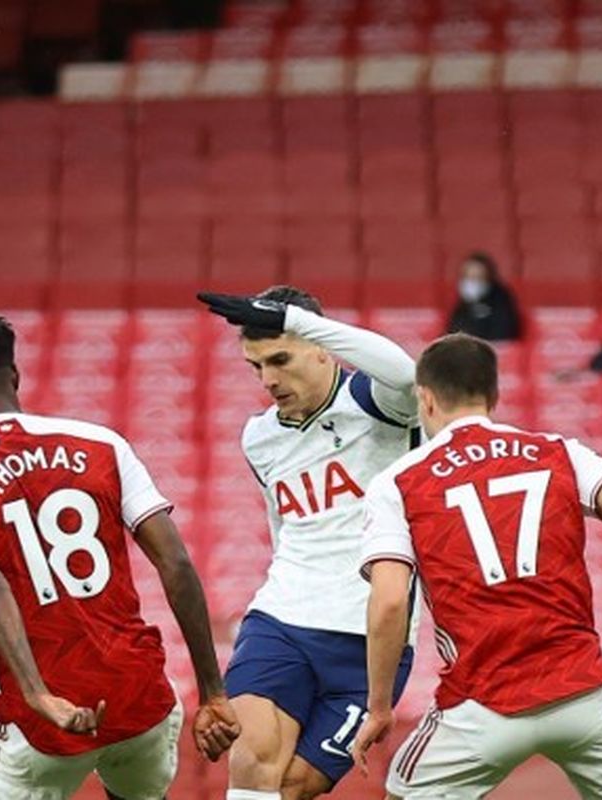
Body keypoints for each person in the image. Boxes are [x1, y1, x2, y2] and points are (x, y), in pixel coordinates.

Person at [349, 333, 602, 799]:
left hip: (479, 708)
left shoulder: (398, 482)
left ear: (425, 397)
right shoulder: (559, 452)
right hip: (582, 697)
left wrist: (379, 707)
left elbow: (390, 601)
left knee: (401, 792)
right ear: (494, 396)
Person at [0, 307, 240, 800]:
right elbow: (177, 563)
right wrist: (213, 692)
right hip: (138, 697)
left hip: (44, 719)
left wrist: (39, 695)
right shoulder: (102, 444)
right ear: (13, 374)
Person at [197, 287, 421, 800]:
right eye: (256, 366)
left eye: (280, 359)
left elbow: (409, 374)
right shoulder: (259, 436)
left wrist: (297, 319)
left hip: (370, 642)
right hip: (282, 622)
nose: (269, 380)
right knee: (252, 766)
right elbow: (283, 527)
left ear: (322, 347)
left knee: (296, 788)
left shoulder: (376, 402)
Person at [445, 251, 522, 341]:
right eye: (468, 277)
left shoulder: (500, 297)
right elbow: (453, 328)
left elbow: (506, 329)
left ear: (488, 276)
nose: (472, 282)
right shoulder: (463, 300)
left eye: (477, 277)